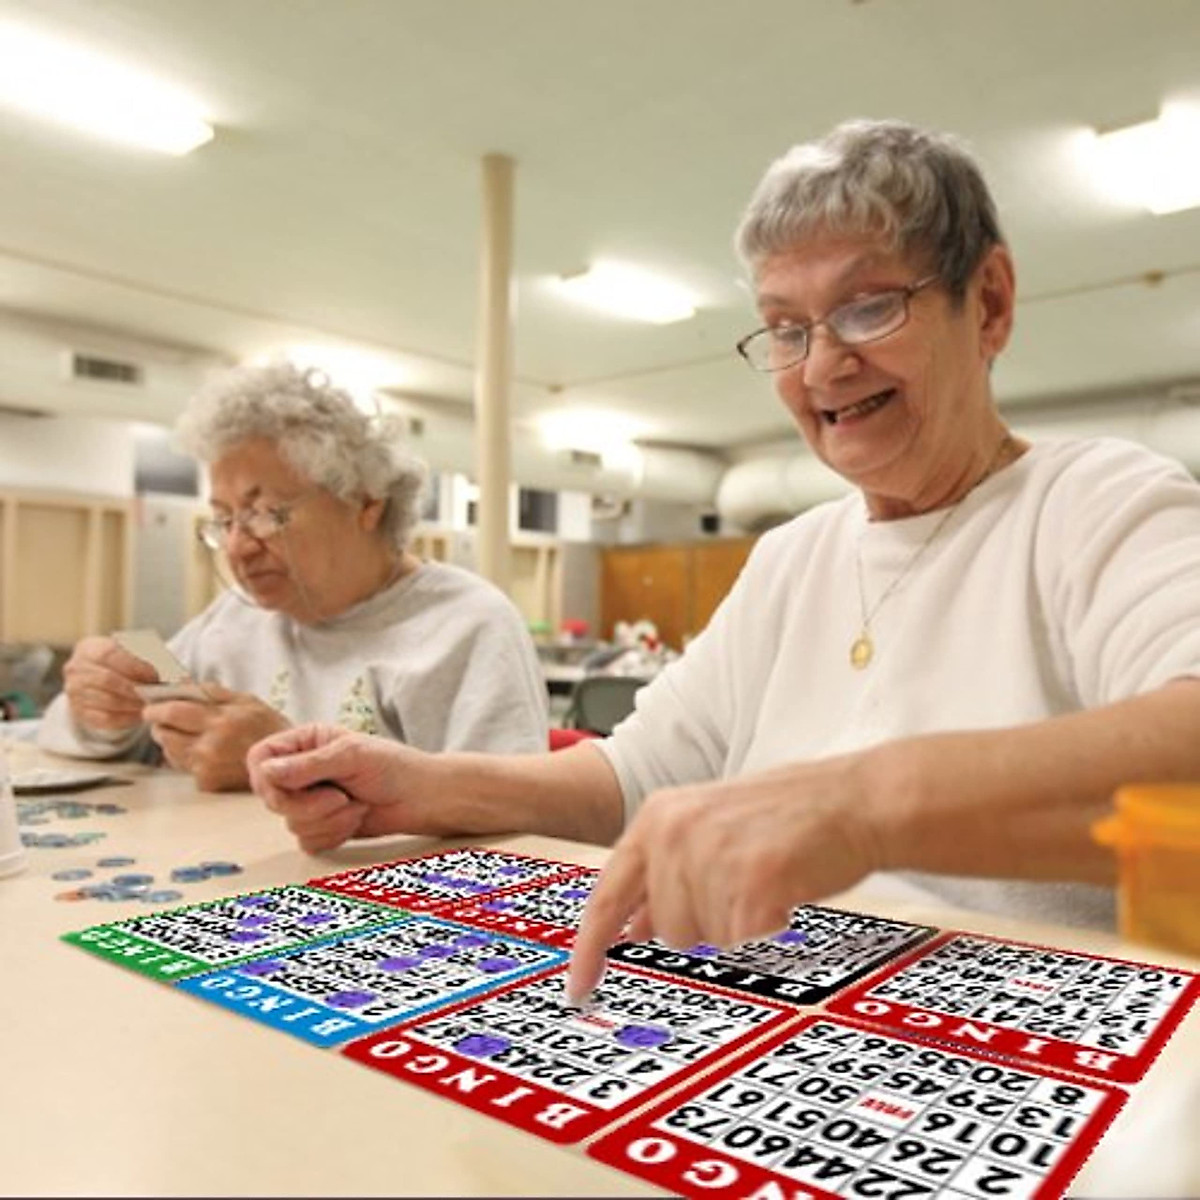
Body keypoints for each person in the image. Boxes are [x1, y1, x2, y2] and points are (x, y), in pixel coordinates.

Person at [247, 120, 1200, 1005]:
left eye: (869, 308)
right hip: (781, 1011)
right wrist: (420, 785)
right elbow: (632, 777)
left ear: (987, 303)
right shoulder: (791, 558)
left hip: (1022, 1033)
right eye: (786, 328)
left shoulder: (1100, 502)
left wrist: (864, 803)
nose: (822, 367)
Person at [39, 362, 548, 790]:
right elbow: (108, 735)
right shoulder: (235, 616)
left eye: (267, 513)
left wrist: (284, 764)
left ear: (366, 501)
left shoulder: (467, 627)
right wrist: (101, 707)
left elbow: (514, 822)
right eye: (223, 519)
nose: (238, 545)